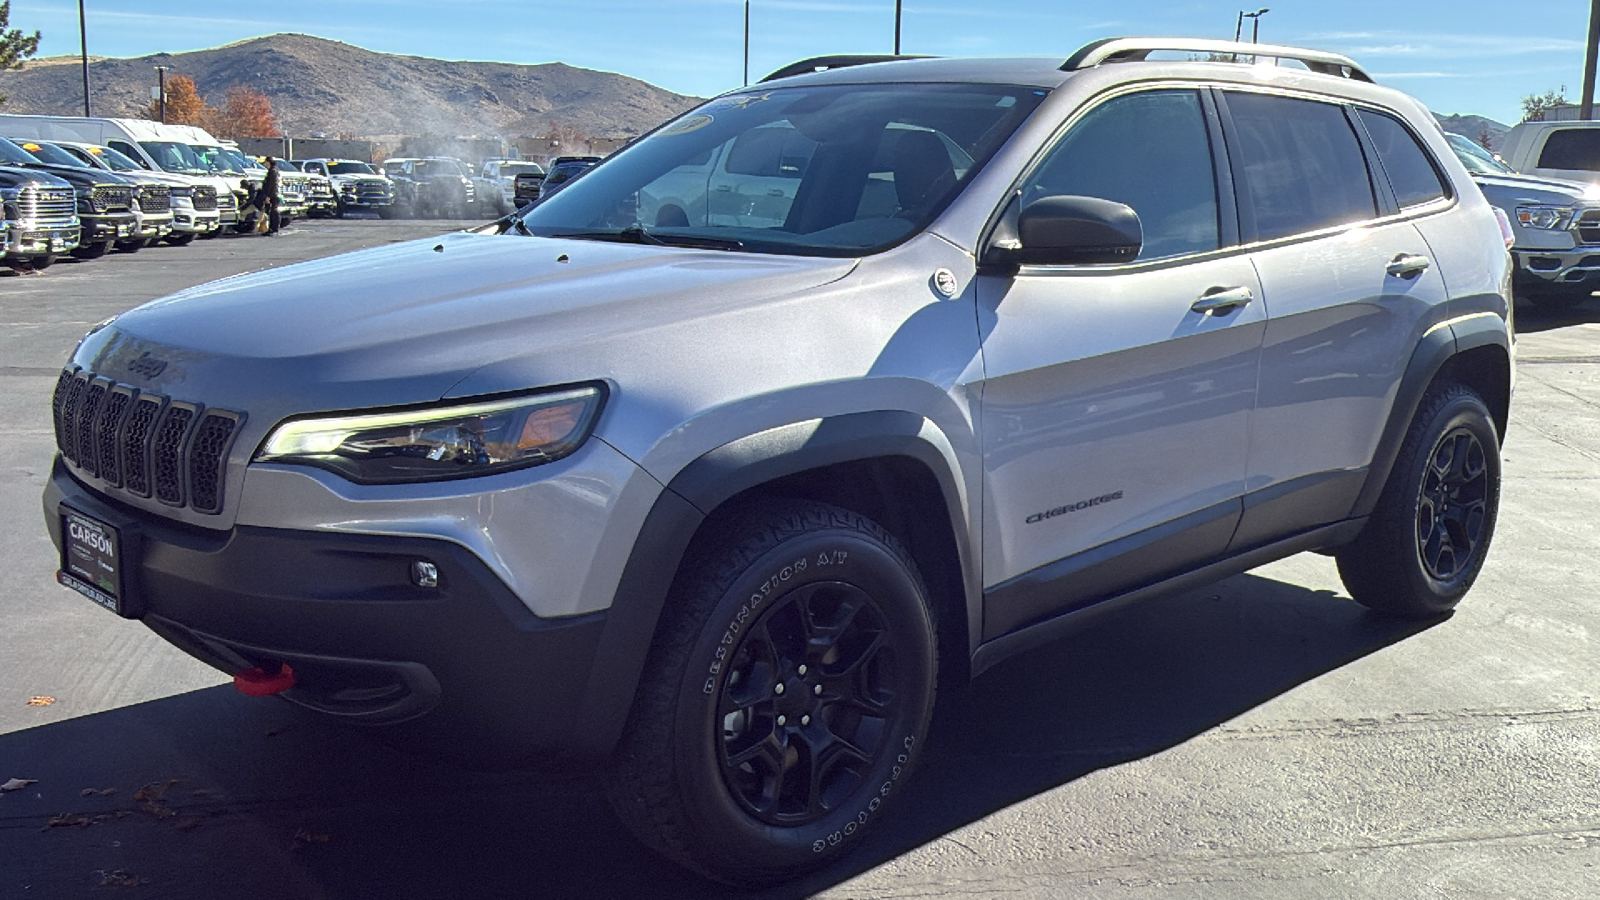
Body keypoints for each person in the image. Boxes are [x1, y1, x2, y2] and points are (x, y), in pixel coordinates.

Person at [254, 157, 281, 235]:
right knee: (272, 211)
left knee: (273, 212)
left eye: (265, 162)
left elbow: (272, 185)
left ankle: (273, 229)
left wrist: (268, 196)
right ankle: (272, 228)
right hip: (274, 194)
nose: (264, 164)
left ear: (269, 162)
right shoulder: (274, 170)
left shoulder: (273, 172)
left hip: (273, 195)